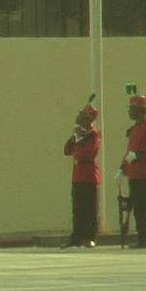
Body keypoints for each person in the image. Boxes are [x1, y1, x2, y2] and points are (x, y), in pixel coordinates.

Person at [122, 92, 146, 247]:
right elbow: (129, 150)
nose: (130, 112)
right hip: (135, 172)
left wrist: (138, 156)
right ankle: (142, 237)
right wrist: (122, 167)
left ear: (140, 110)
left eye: (132, 108)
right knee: (137, 205)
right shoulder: (135, 128)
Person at [62, 99, 101, 247]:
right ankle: (76, 236)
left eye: (81, 115)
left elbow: (87, 153)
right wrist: (74, 138)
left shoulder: (93, 135)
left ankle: (89, 236)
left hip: (89, 174)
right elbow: (67, 151)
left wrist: (80, 139)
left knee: (90, 208)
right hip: (78, 174)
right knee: (77, 208)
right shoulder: (77, 133)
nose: (78, 117)